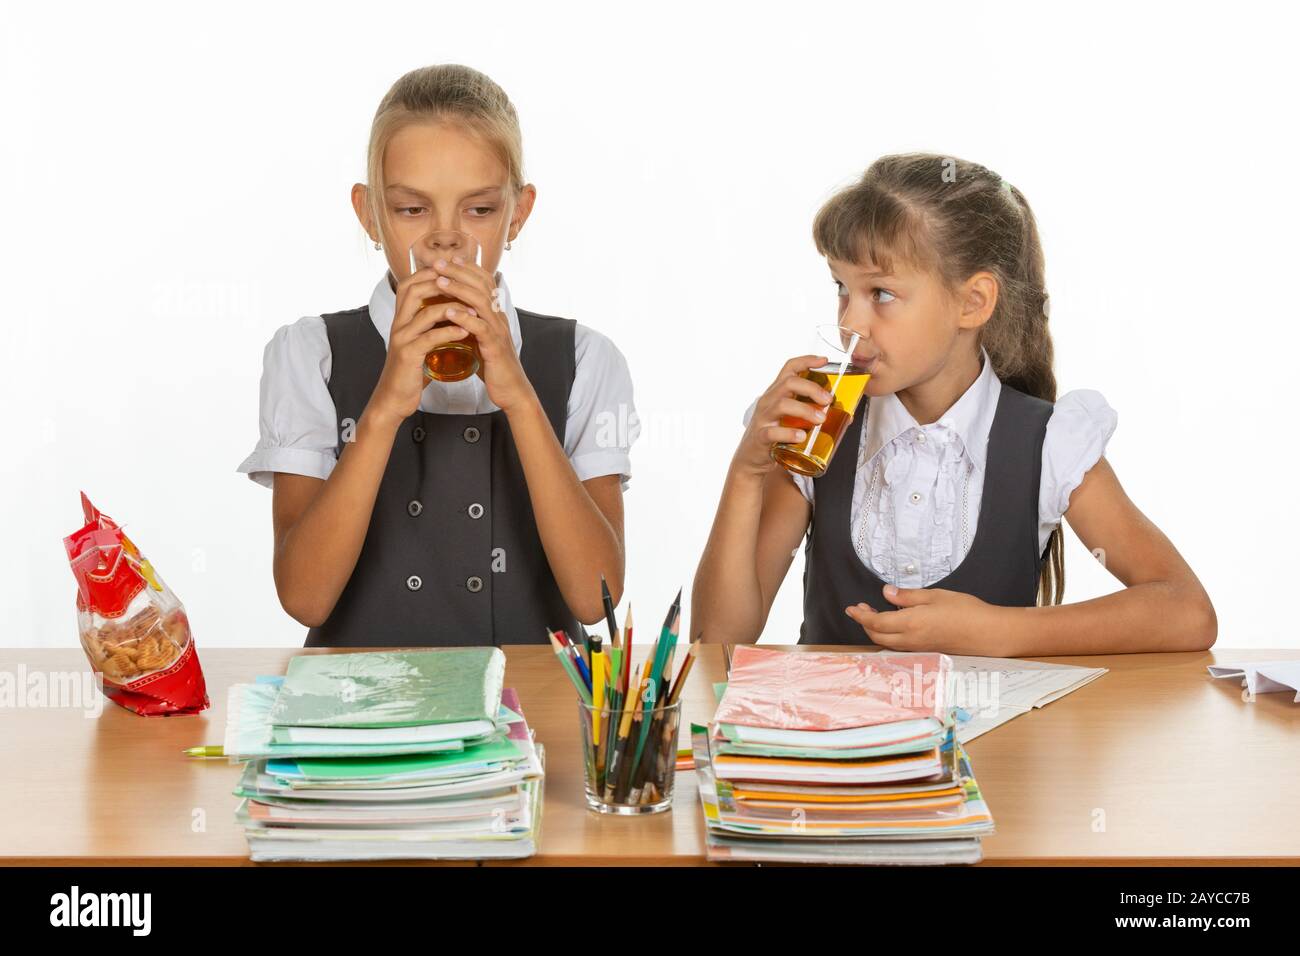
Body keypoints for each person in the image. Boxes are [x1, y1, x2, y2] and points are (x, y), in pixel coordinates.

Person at [692, 153, 1215, 655]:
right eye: (842, 289)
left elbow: (1186, 610)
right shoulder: (818, 432)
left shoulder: (1049, 442)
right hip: (836, 744)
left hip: (991, 745)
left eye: (882, 294)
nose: (850, 323)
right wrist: (746, 472)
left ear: (973, 302)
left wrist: (999, 631)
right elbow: (718, 639)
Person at [238, 64, 638, 646]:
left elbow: (593, 595)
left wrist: (521, 399)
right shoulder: (311, 353)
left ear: (518, 213)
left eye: (478, 210)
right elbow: (305, 596)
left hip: (527, 716)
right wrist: (382, 409)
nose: (445, 240)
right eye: (411, 209)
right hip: (367, 718)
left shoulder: (585, 358)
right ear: (369, 213)